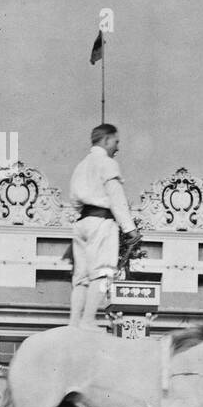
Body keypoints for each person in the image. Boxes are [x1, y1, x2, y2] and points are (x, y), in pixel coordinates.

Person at [69, 123, 139, 328]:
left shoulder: (81, 165)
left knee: (81, 276)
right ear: (106, 140)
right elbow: (116, 197)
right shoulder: (107, 163)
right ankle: (88, 321)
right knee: (103, 273)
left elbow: (74, 202)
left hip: (82, 222)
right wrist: (130, 229)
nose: (117, 147)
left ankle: (74, 323)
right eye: (116, 142)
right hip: (102, 222)